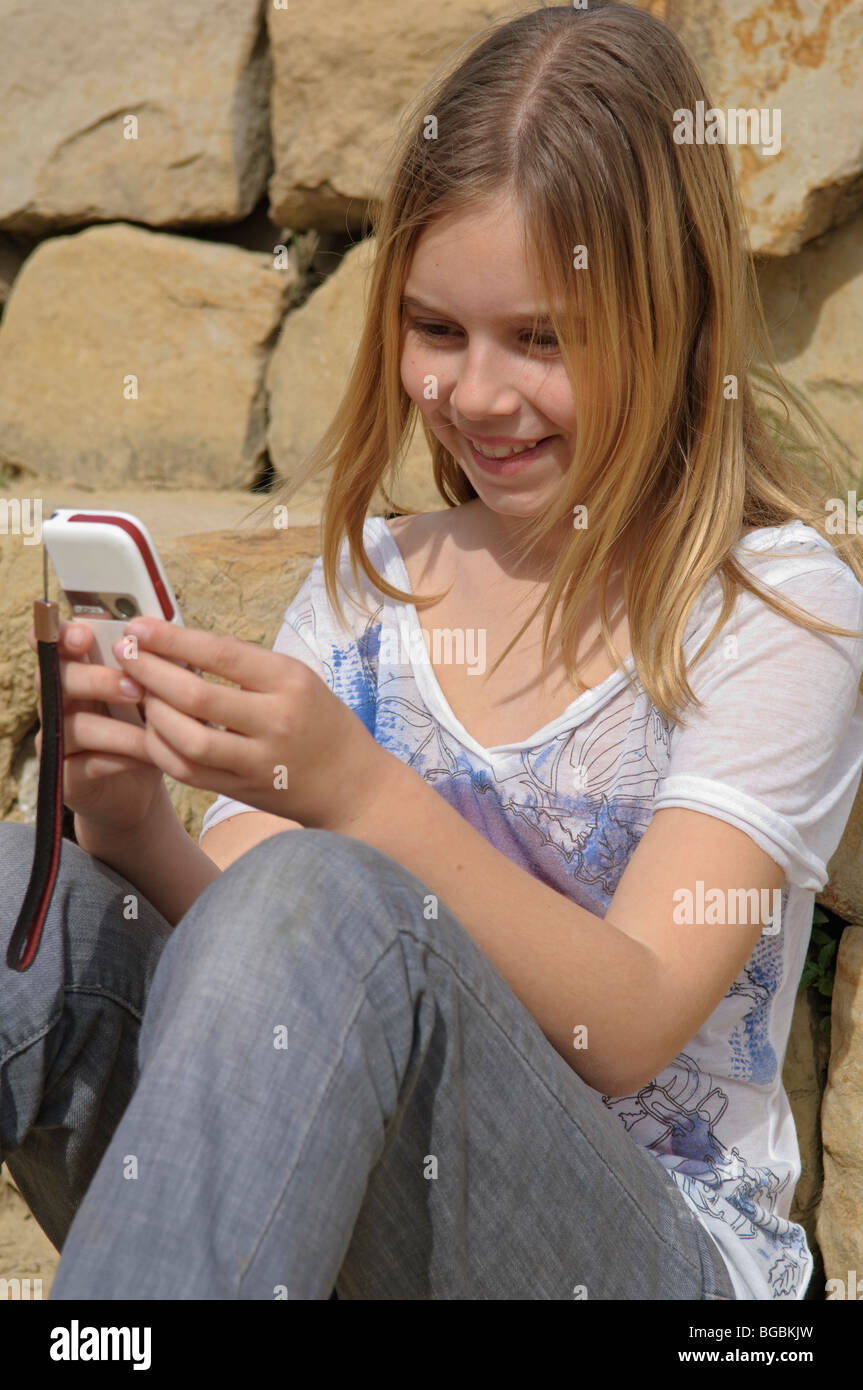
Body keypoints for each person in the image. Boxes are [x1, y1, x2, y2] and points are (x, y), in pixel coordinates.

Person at [3, 1, 863, 1301]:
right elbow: (244, 940)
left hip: (664, 1263)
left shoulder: (771, 608)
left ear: (673, 318)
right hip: (358, 1204)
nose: (476, 394)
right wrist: (127, 825)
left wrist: (354, 792)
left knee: (339, 893)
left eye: (543, 338)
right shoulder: (377, 588)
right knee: (29, 893)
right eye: (437, 330)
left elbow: (625, 1020)